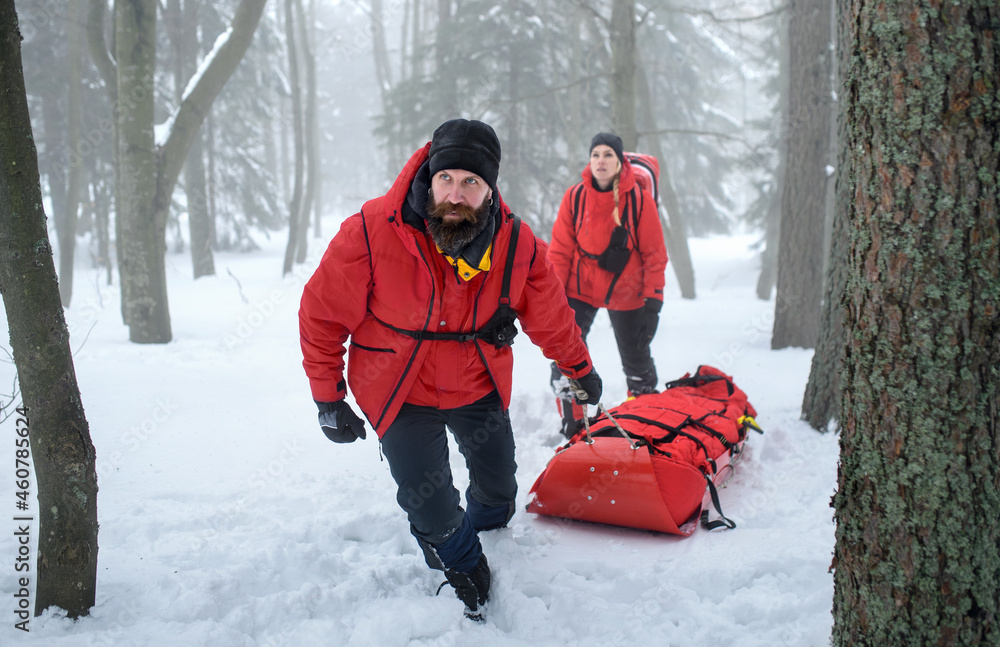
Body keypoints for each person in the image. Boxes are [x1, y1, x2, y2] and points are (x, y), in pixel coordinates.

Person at [299, 119, 602, 619]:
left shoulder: (517, 243)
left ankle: (486, 527)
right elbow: (321, 314)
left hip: (476, 379)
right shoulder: (372, 230)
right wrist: (327, 398)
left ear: (490, 189)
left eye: (471, 183)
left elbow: (550, 315)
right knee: (431, 504)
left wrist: (579, 368)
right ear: (430, 175)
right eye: (447, 179)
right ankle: (456, 555)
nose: (455, 194)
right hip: (399, 387)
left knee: (500, 488)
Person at [547, 132, 668, 438]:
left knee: (637, 359)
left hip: (627, 292)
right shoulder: (575, 197)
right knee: (565, 354)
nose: (601, 161)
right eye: (596, 155)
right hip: (580, 288)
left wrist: (653, 303)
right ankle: (574, 424)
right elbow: (559, 251)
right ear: (590, 160)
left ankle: (644, 424)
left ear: (619, 161)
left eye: (608, 155)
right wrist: (554, 297)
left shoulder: (638, 201)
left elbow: (654, 255)